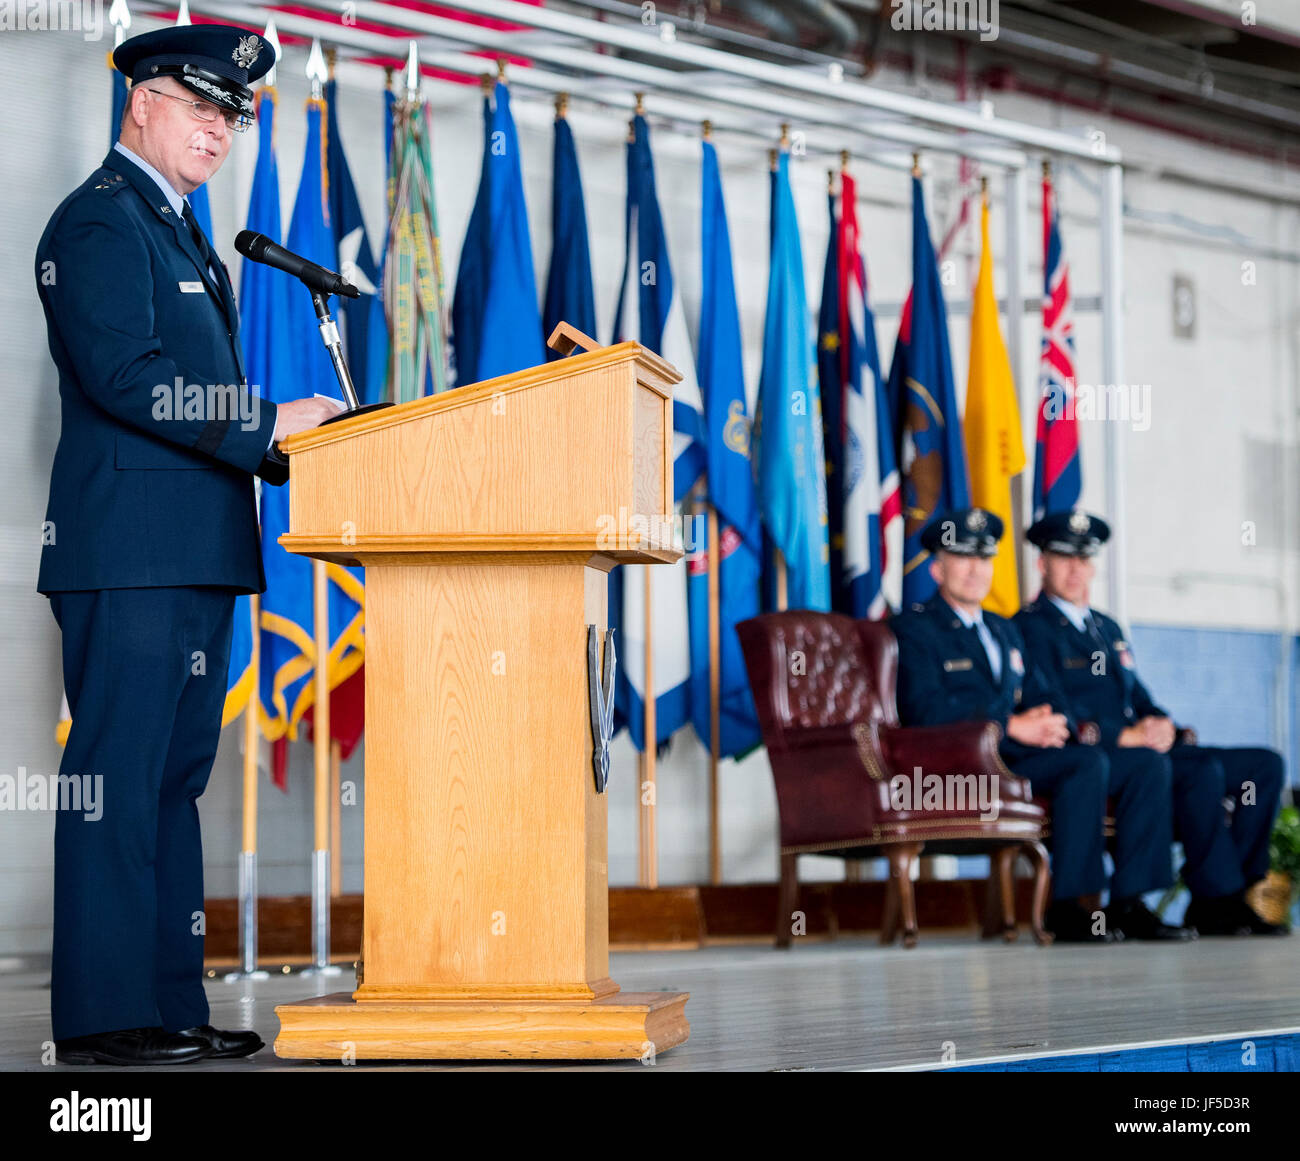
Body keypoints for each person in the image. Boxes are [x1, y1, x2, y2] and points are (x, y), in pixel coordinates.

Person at [36, 24, 343, 1066]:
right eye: (201, 105)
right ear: (140, 103)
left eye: (234, 116)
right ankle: (103, 1020)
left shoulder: (176, 229)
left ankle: (164, 1007)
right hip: (130, 555)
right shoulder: (99, 225)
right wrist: (266, 425)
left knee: (170, 784)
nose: (219, 129)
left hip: (195, 550)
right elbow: (129, 380)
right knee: (119, 780)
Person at [891, 507, 1190, 942]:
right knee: (1085, 765)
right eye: (962, 559)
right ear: (938, 569)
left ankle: (1130, 903)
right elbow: (925, 709)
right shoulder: (914, 628)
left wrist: (1052, 722)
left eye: (983, 559)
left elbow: (1041, 692)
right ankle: (1070, 908)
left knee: (1145, 764)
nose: (975, 570)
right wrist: (1010, 726)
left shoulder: (1001, 629)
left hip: (1023, 754)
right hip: (969, 763)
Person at [1017, 510, 1287, 936]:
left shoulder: (1106, 628)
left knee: (1262, 767)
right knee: (1199, 771)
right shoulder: (1029, 629)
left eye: (1083, 559)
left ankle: (1236, 891)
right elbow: (1050, 706)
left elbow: (1138, 696)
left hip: (1141, 746)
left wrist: (1164, 725)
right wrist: (1122, 735)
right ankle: (1168, 902)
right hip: (1095, 751)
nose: (1075, 569)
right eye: (1063, 557)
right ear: (1042, 564)